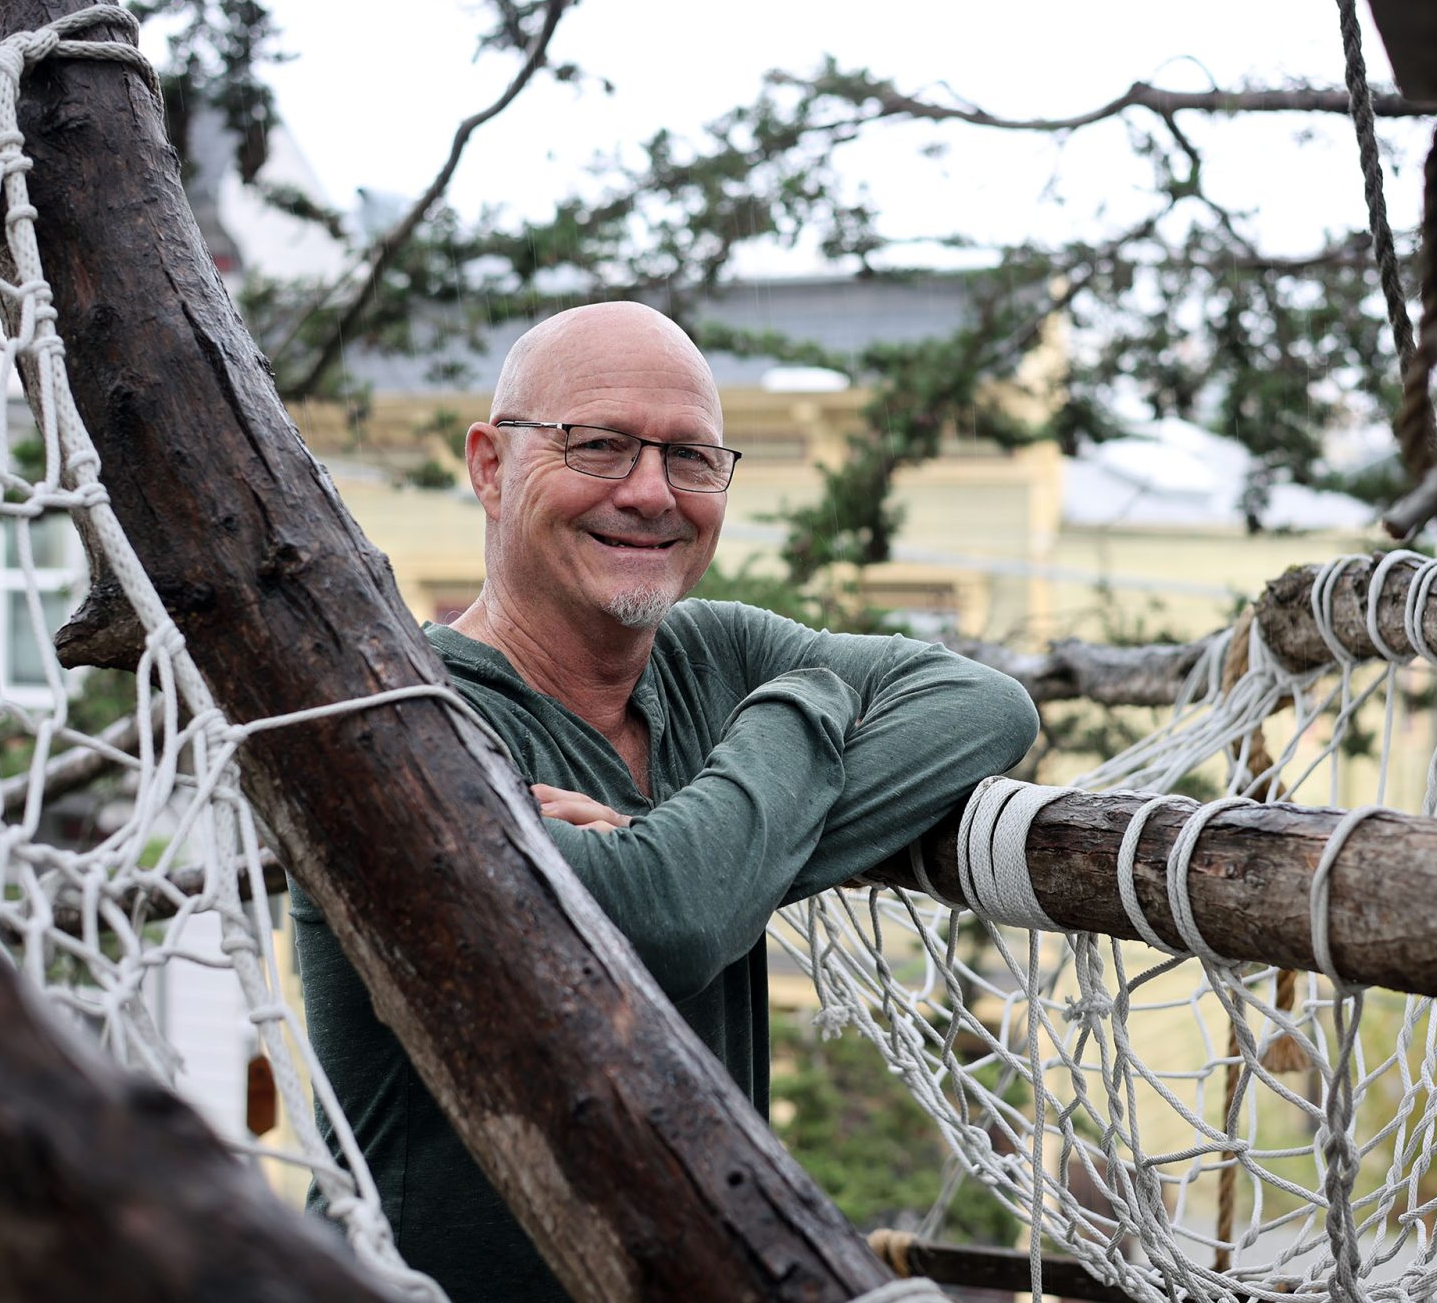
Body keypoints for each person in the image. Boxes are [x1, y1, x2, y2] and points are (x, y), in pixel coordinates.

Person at [290, 301, 1040, 1301]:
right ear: (489, 464)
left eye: (691, 457)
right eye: (597, 445)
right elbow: (673, 918)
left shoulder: (715, 655)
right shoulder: (398, 722)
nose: (650, 492)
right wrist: (794, 721)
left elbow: (985, 703)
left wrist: (696, 853)